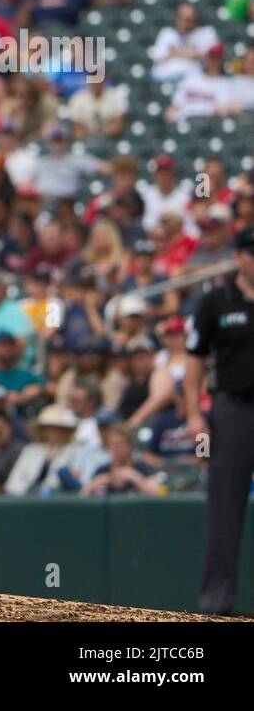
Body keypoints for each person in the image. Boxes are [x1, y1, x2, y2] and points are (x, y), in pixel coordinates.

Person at [186, 225, 254, 615]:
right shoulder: (216, 301)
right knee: (224, 509)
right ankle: (216, 605)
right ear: (240, 256)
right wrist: (195, 413)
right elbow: (194, 360)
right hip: (232, 409)